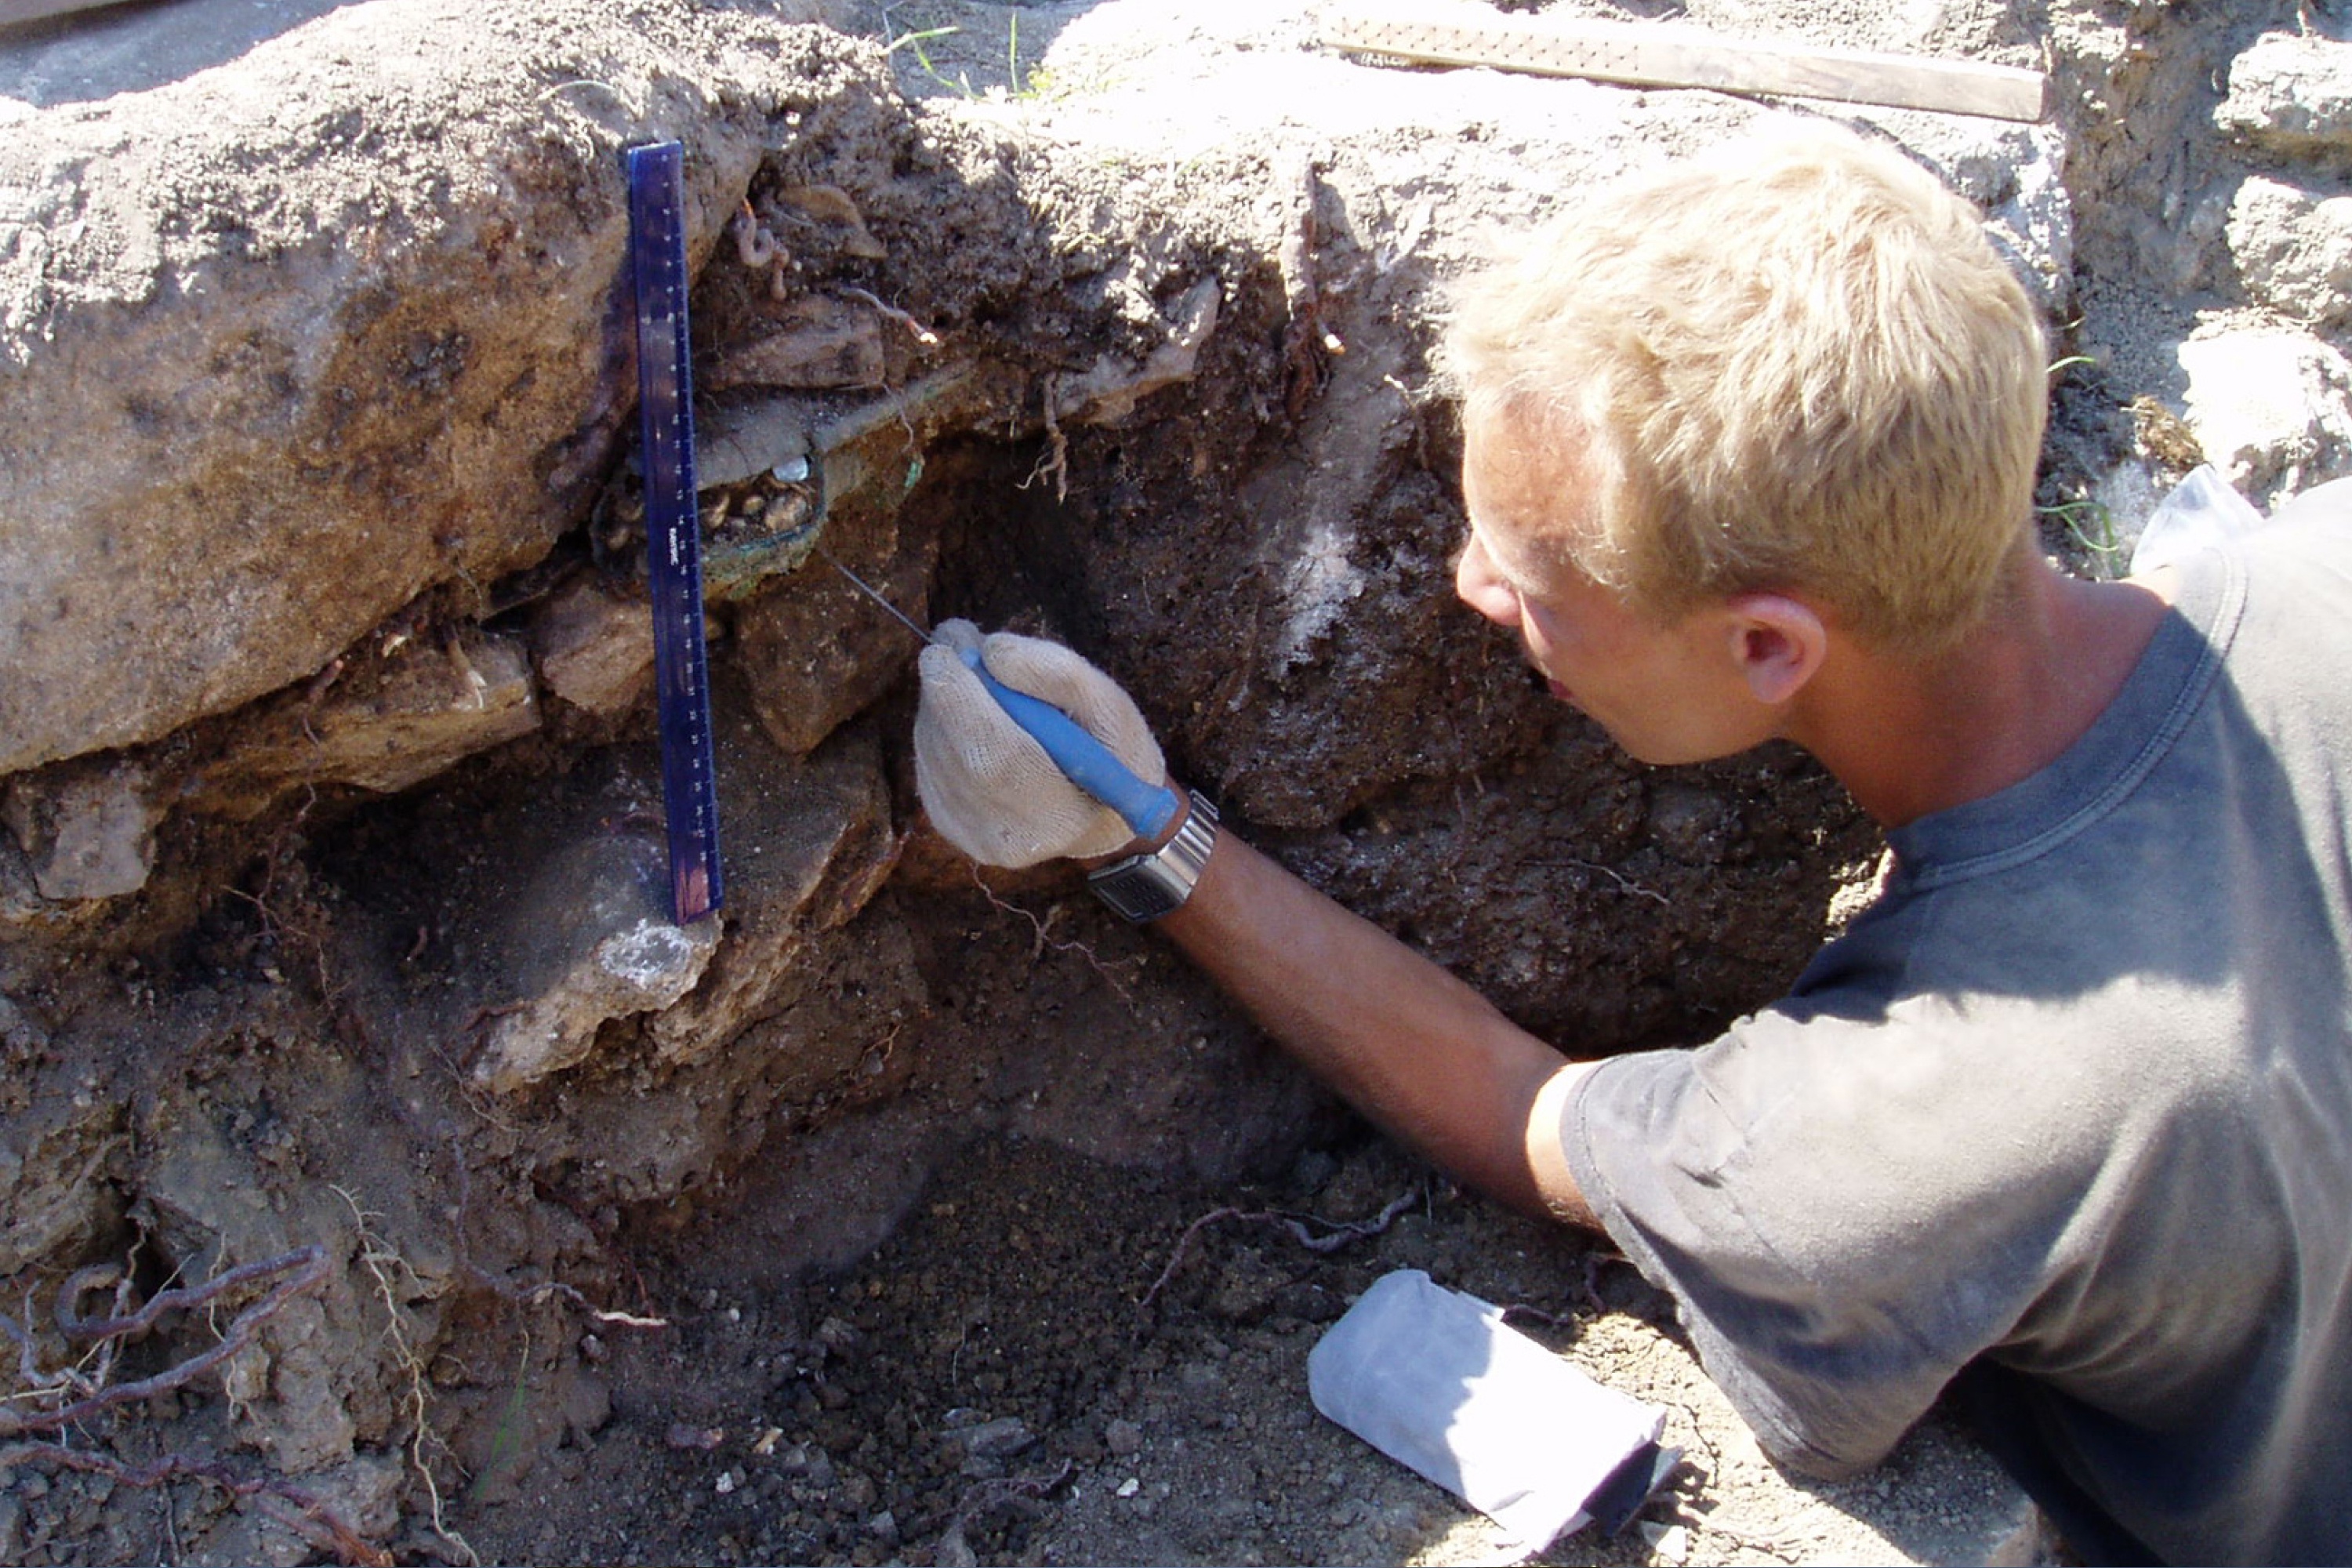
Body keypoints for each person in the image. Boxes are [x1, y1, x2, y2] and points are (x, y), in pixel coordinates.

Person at [910, 127, 2352, 1566]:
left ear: (1769, 645)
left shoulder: (1894, 1137)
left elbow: (1526, 1110)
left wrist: (1142, 836)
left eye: (1537, 583)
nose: (1473, 586)